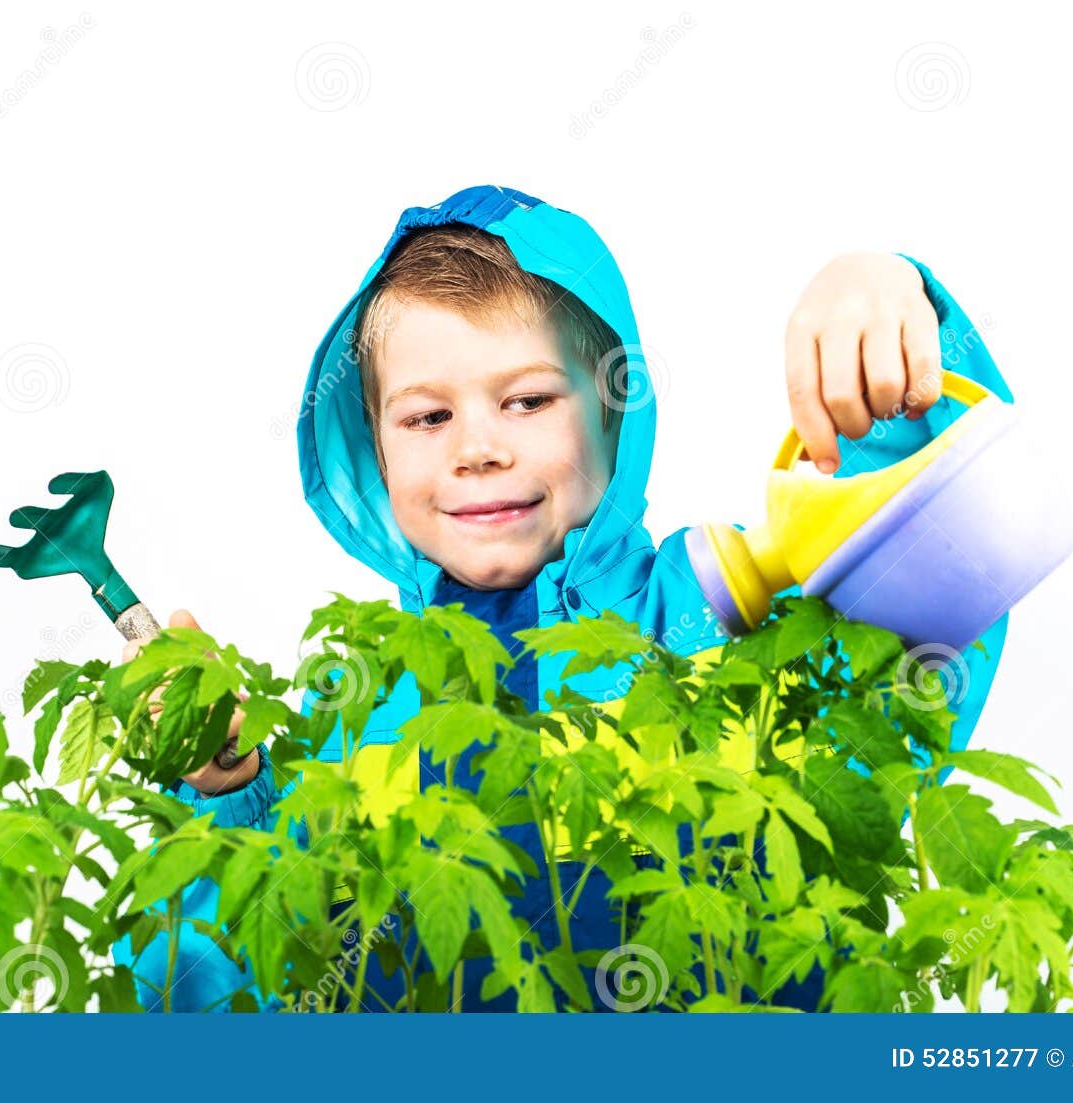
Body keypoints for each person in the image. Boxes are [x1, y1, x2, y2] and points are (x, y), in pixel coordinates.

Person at [113, 184, 1013, 1011]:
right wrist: (229, 795)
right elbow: (227, 997)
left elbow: (954, 560)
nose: (478, 449)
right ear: (376, 452)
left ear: (613, 412)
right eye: (428, 416)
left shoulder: (720, 622)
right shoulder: (351, 709)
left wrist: (882, 325)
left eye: (529, 401)